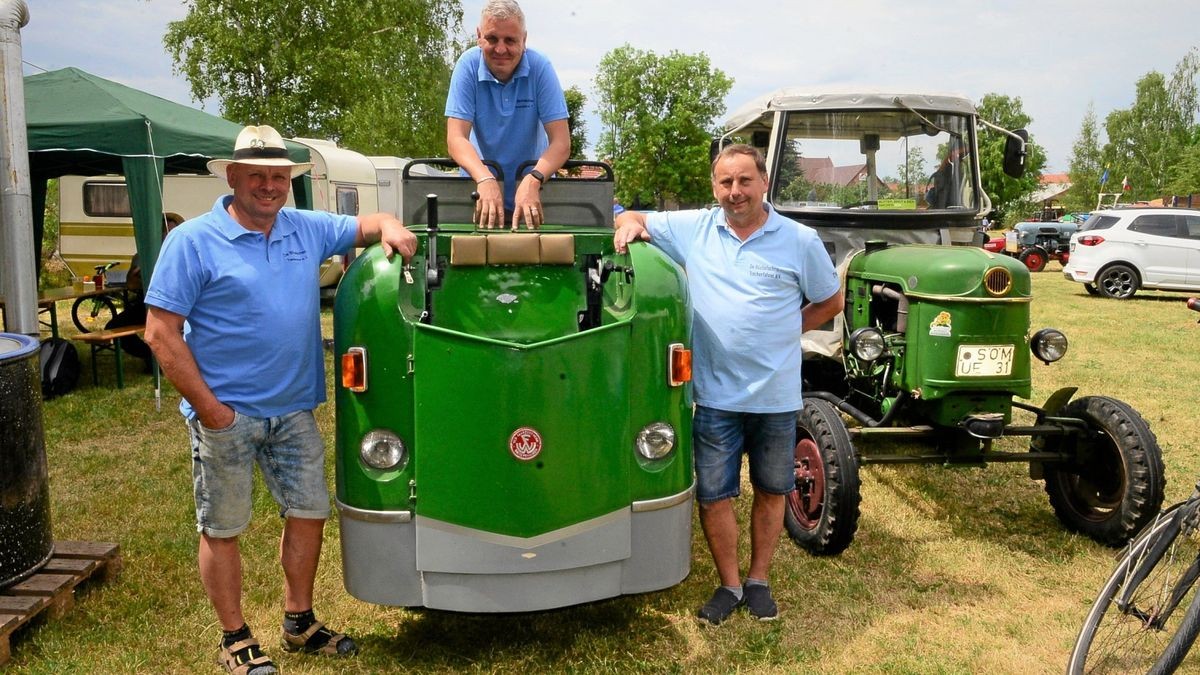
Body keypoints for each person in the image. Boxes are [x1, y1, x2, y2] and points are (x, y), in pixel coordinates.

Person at [143, 125, 416, 674]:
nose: (269, 187)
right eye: (257, 177)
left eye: (279, 177)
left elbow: (370, 223)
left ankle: (298, 621)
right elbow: (160, 333)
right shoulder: (192, 241)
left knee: (310, 512)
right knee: (223, 526)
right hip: (227, 417)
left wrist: (392, 228)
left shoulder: (305, 229)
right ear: (233, 177)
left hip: (294, 411)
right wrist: (213, 411)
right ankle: (234, 637)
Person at [614, 144, 844, 626]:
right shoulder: (695, 228)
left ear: (763, 183)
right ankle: (730, 584)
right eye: (725, 183)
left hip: (776, 398)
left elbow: (830, 301)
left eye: (744, 181)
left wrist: (787, 329)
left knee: (771, 488)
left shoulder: (799, 240)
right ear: (715, 187)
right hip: (715, 398)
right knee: (715, 494)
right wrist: (631, 223)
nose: (735, 192)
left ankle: (759, 581)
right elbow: (632, 214)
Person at [445, 0, 570, 230]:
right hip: (478, 194)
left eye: (510, 40)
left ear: (524, 40)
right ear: (479, 36)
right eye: (492, 39)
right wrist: (485, 179)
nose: (501, 49)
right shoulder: (467, 66)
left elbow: (561, 142)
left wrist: (533, 179)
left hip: (532, 195)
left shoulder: (540, 67)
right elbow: (456, 138)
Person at [105, 212, 182, 366]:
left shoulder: (182, 253)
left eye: (171, 231)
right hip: (147, 304)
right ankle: (150, 356)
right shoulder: (141, 255)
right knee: (113, 327)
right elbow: (131, 285)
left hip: (175, 305)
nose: (167, 235)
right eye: (164, 231)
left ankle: (158, 358)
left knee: (168, 327)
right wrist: (138, 275)